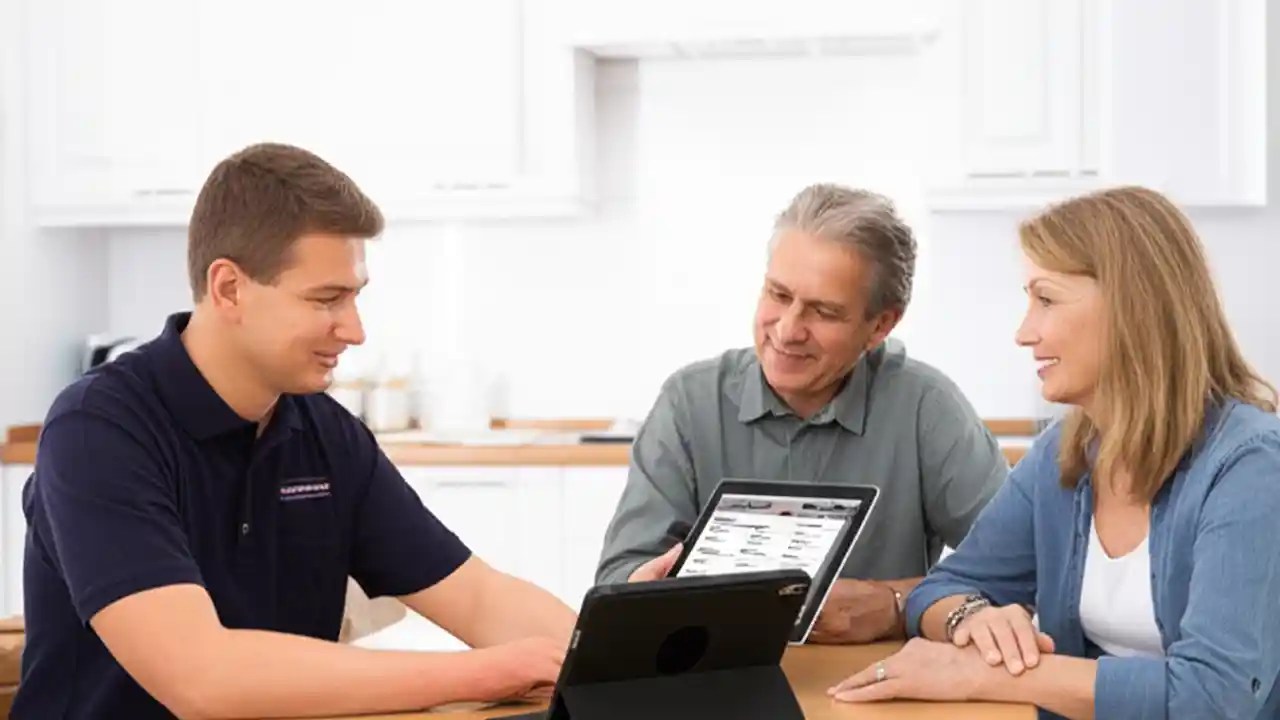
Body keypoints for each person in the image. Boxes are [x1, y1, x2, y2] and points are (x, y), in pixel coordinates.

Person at [13, 143, 576, 719]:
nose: (355, 331)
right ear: (229, 288)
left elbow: (478, 598)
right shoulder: (99, 431)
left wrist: (618, 656)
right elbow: (201, 677)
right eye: (326, 299)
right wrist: (488, 672)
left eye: (354, 297)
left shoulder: (326, 434)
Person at [829, 186, 1280, 719]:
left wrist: (985, 673)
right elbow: (947, 586)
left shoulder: (1250, 467)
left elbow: (1212, 697)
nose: (1024, 332)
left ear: (1132, 306)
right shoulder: (1064, 454)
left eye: (1045, 299)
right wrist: (972, 618)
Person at [596, 183, 1008, 644]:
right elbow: (618, 580)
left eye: (824, 312)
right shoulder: (690, 402)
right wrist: (642, 594)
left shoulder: (926, 408)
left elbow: (1018, 567)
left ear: (880, 325)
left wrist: (895, 606)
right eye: (778, 294)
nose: (788, 330)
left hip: (875, 689)